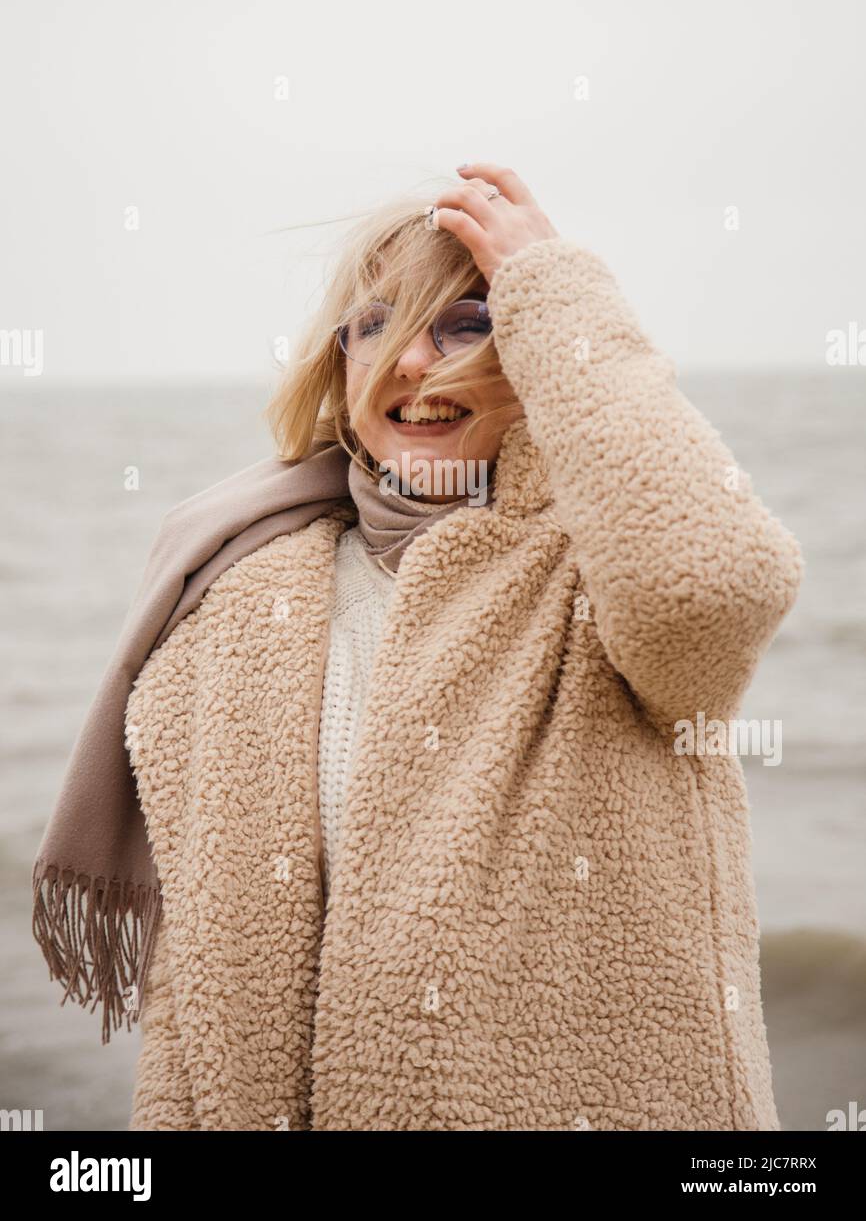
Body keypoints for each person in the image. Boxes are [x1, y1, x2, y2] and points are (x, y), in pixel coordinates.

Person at [37, 162, 804, 1131]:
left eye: (467, 323)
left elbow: (712, 584)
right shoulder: (234, 596)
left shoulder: (592, 568)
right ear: (339, 369)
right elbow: (197, 993)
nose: (413, 360)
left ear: (533, 354)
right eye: (375, 325)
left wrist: (556, 288)